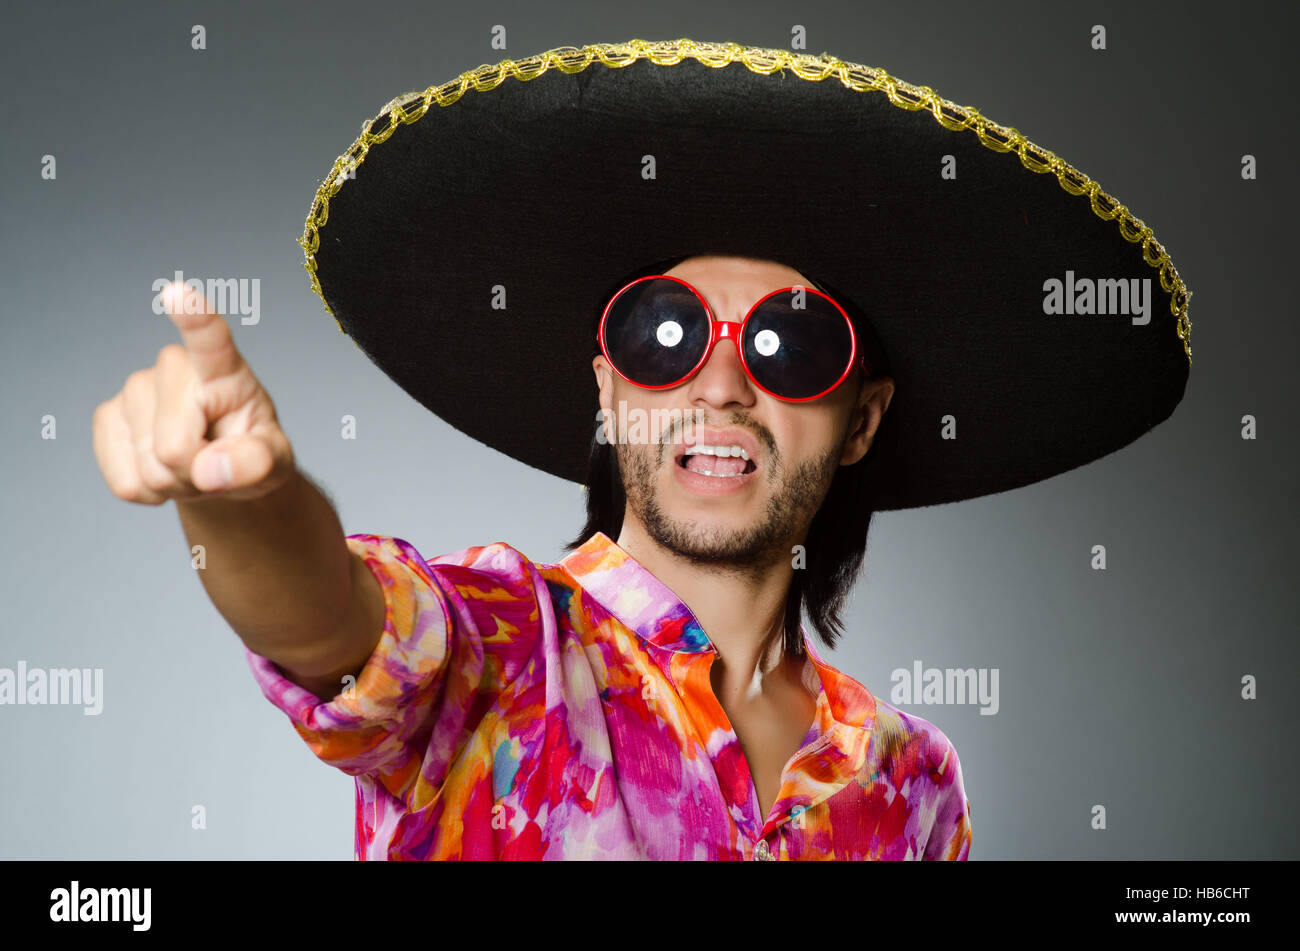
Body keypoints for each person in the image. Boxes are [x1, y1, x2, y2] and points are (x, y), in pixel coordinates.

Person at [92, 39, 1192, 860]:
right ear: (610, 395)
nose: (719, 384)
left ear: (860, 419)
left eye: (790, 343)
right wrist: (242, 500)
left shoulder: (911, 781)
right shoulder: (498, 652)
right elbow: (330, 624)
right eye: (661, 339)